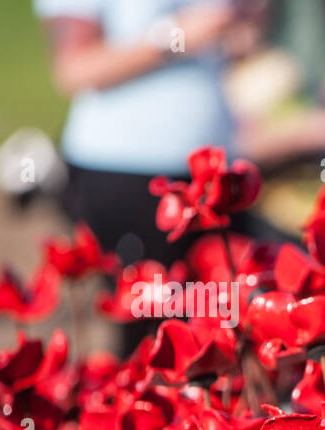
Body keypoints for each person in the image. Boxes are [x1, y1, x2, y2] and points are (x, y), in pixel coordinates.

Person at [36, 0, 252, 266]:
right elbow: (74, 69)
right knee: (152, 305)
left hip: (219, 174)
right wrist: (175, 37)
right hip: (126, 173)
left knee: (222, 303)